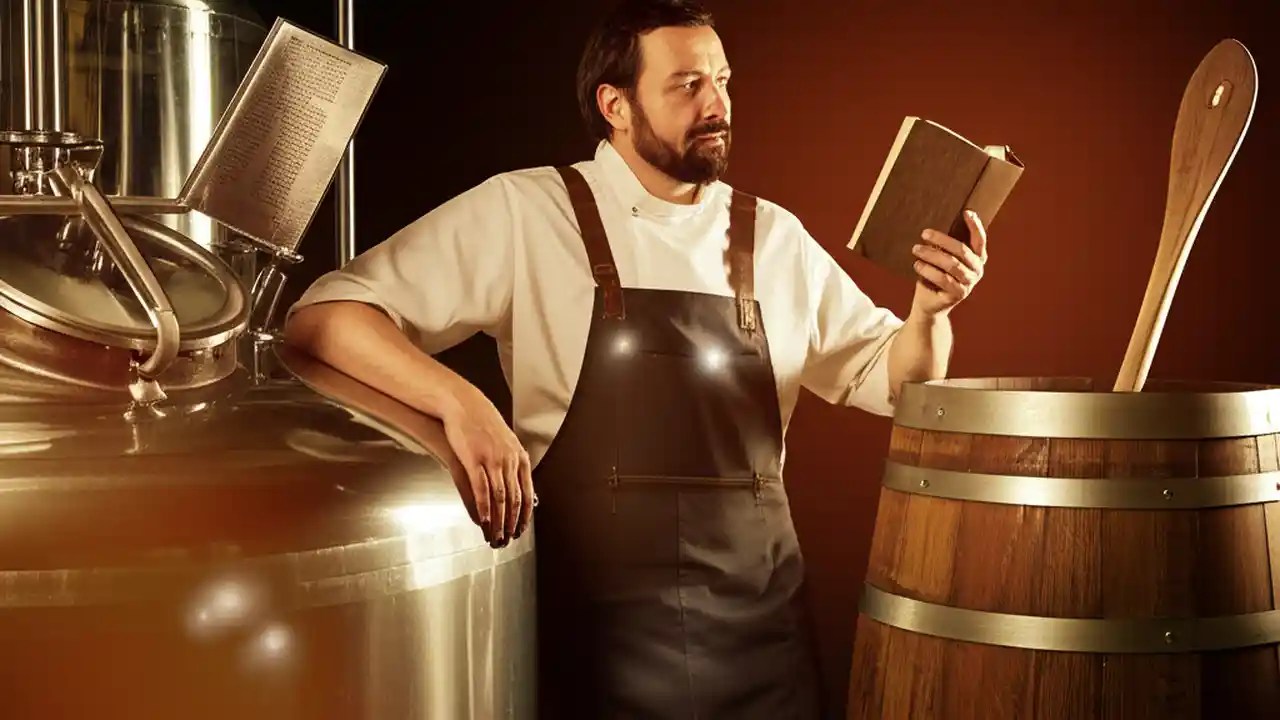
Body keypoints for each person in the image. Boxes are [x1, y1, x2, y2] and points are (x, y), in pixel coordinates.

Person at [284, 0, 989, 716]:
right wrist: (462, 405)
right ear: (614, 105)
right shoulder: (525, 213)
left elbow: (901, 385)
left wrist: (930, 313)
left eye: (723, 80)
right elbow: (326, 320)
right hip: (586, 646)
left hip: (762, 651)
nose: (717, 105)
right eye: (688, 85)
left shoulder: (774, 237)